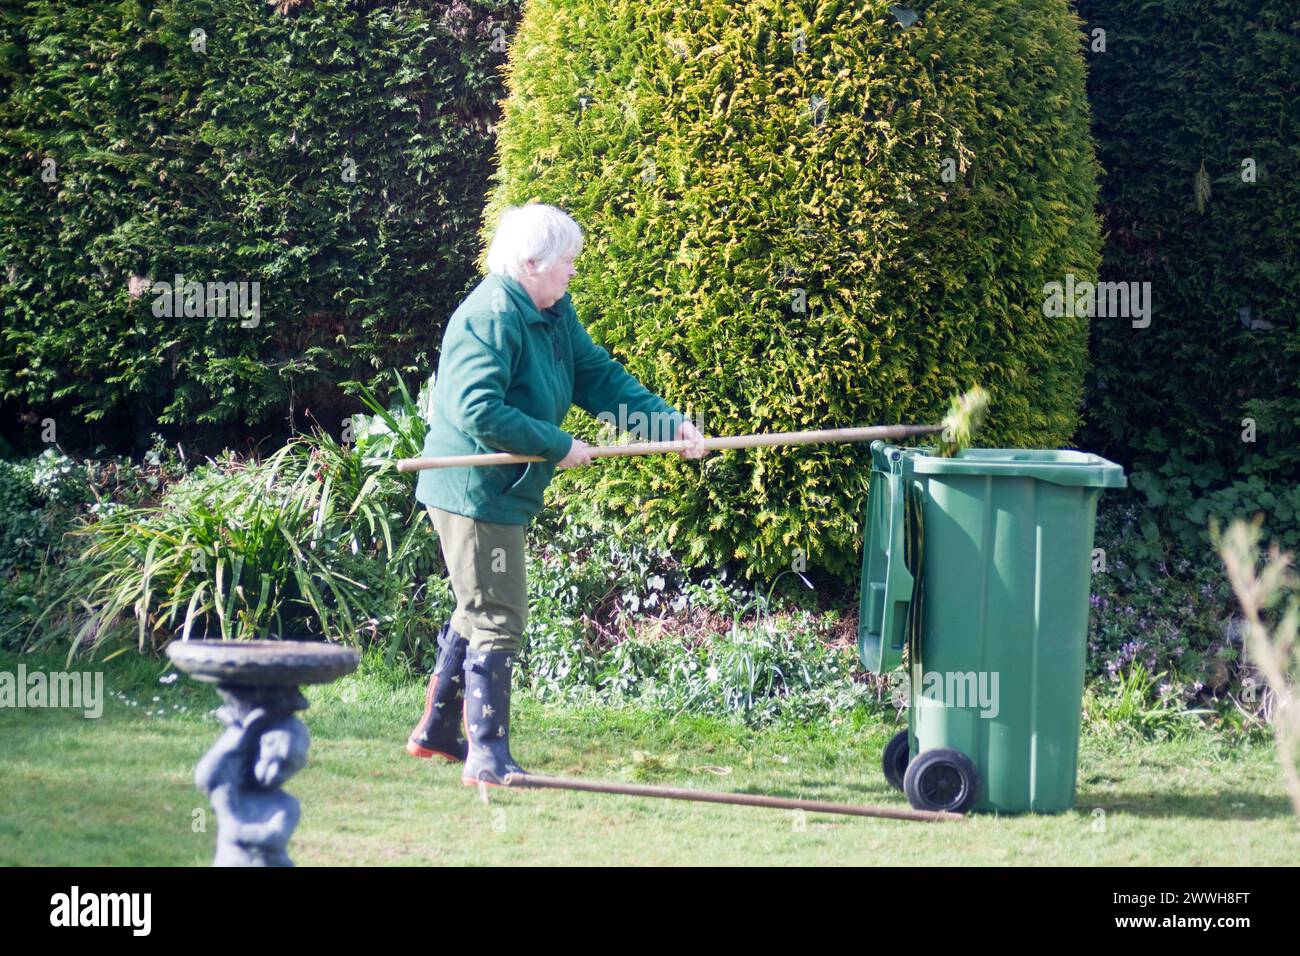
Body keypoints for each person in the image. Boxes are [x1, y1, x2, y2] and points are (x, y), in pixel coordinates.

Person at [406, 203, 708, 786]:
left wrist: (668, 426)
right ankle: (487, 757)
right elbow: (476, 409)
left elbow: (596, 376)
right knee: (498, 613)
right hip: (476, 493)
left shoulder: (550, 310)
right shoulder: (490, 315)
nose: (573, 271)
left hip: (499, 492)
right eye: (567, 261)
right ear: (530, 262)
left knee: (479, 607)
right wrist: (555, 443)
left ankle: (438, 732)